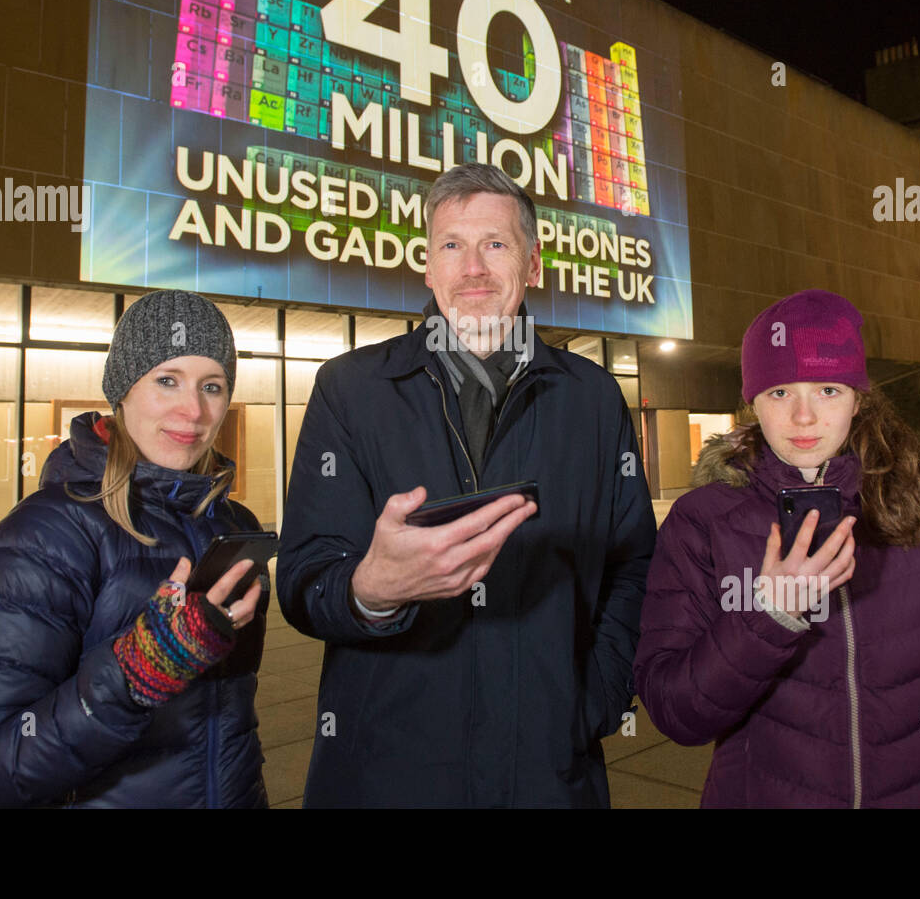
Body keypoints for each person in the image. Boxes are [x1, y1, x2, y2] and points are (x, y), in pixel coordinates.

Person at [276, 162, 657, 807]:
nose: (472, 268)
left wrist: (594, 698)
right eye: (451, 245)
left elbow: (633, 565)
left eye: (495, 244)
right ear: (427, 266)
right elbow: (303, 578)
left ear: (533, 264)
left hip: (546, 773)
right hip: (386, 777)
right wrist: (370, 590)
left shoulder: (592, 398)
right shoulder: (349, 391)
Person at [634, 289, 920, 808]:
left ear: (857, 398)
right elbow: (676, 712)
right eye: (780, 392)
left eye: (827, 389)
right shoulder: (702, 523)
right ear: (752, 403)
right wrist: (767, 617)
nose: (804, 417)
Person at [0, 290, 270, 808]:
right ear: (122, 389)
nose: (193, 410)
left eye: (212, 386)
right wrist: (140, 671)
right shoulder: (42, 537)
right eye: (167, 380)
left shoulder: (231, 525)